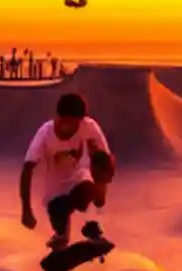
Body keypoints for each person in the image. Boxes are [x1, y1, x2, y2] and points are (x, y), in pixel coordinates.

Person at [20, 93, 115, 250]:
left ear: (81, 121)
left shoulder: (89, 127)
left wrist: (101, 194)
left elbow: (106, 161)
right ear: (57, 117)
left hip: (81, 181)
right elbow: (27, 169)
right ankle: (61, 236)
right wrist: (26, 210)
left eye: (74, 124)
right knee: (57, 210)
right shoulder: (45, 133)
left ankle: (92, 225)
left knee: (87, 186)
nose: (68, 128)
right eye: (65, 123)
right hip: (56, 191)